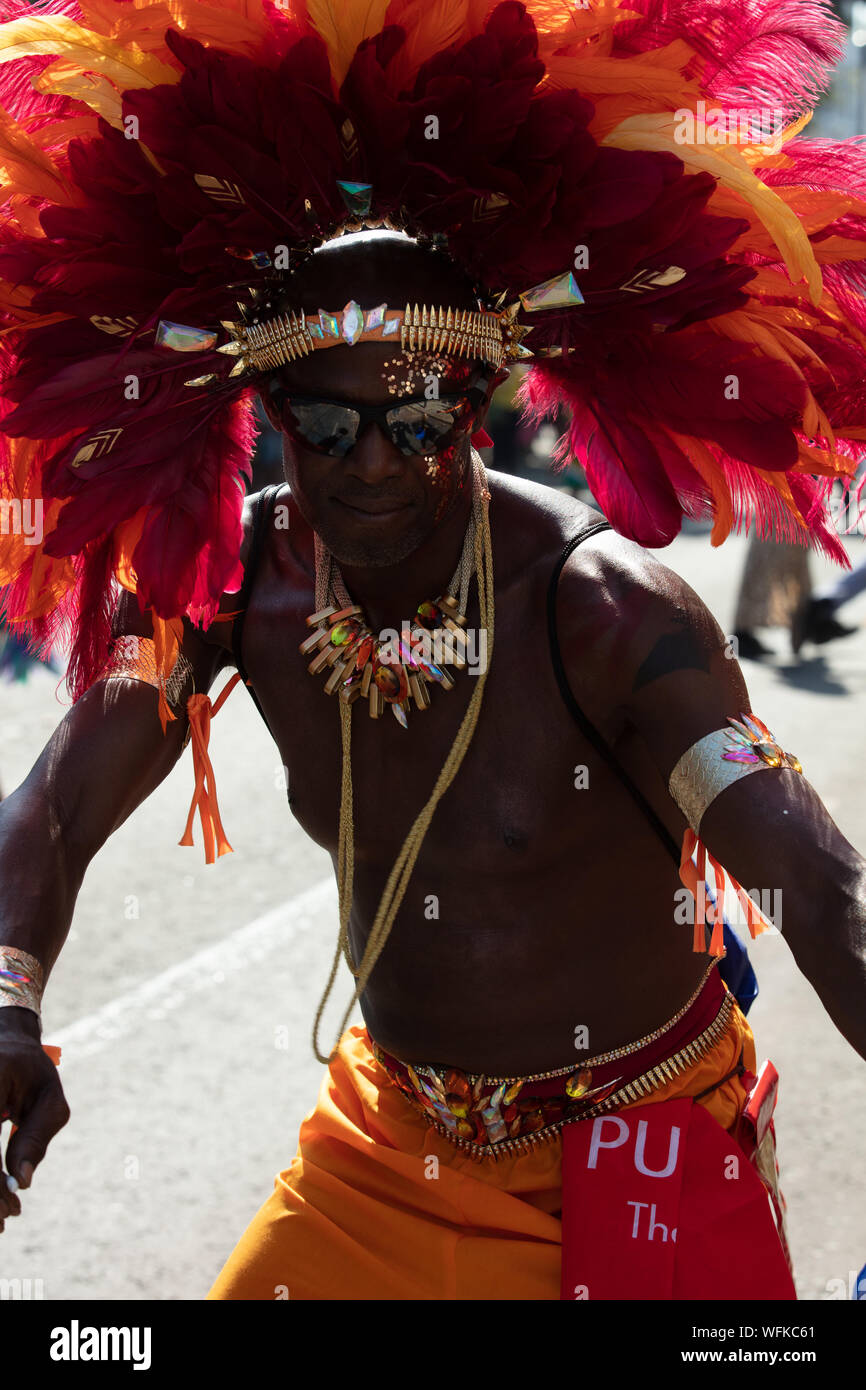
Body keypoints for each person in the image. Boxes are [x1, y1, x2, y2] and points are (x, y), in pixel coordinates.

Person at [2, 0, 866, 1301]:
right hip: (390, 1145)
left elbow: (812, 879)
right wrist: (8, 986)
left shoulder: (602, 610)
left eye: (410, 419)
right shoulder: (227, 588)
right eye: (322, 423)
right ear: (265, 414)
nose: (367, 468)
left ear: (476, 408)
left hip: (641, 1139)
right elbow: (56, 809)